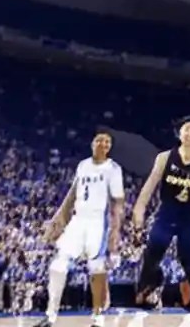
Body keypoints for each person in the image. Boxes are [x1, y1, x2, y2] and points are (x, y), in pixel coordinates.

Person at [131, 118, 190, 326]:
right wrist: (139, 210)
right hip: (166, 213)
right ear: (179, 134)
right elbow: (150, 185)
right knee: (154, 247)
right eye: (186, 130)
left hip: (189, 217)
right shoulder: (164, 158)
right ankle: (146, 290)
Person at [36, 131, 125, 327]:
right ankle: (50, 316)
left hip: (97, 222)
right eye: (99, 140)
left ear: (109, 147)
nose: (103, 144)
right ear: (92, 143)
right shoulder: (83, 165)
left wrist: (114, 235)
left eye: (107, 142)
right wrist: (59, 219)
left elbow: (117, 204)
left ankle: (98, 318)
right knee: (57, 264)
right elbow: (72, 194)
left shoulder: (113, 169)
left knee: (96, 269)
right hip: (78, 219)